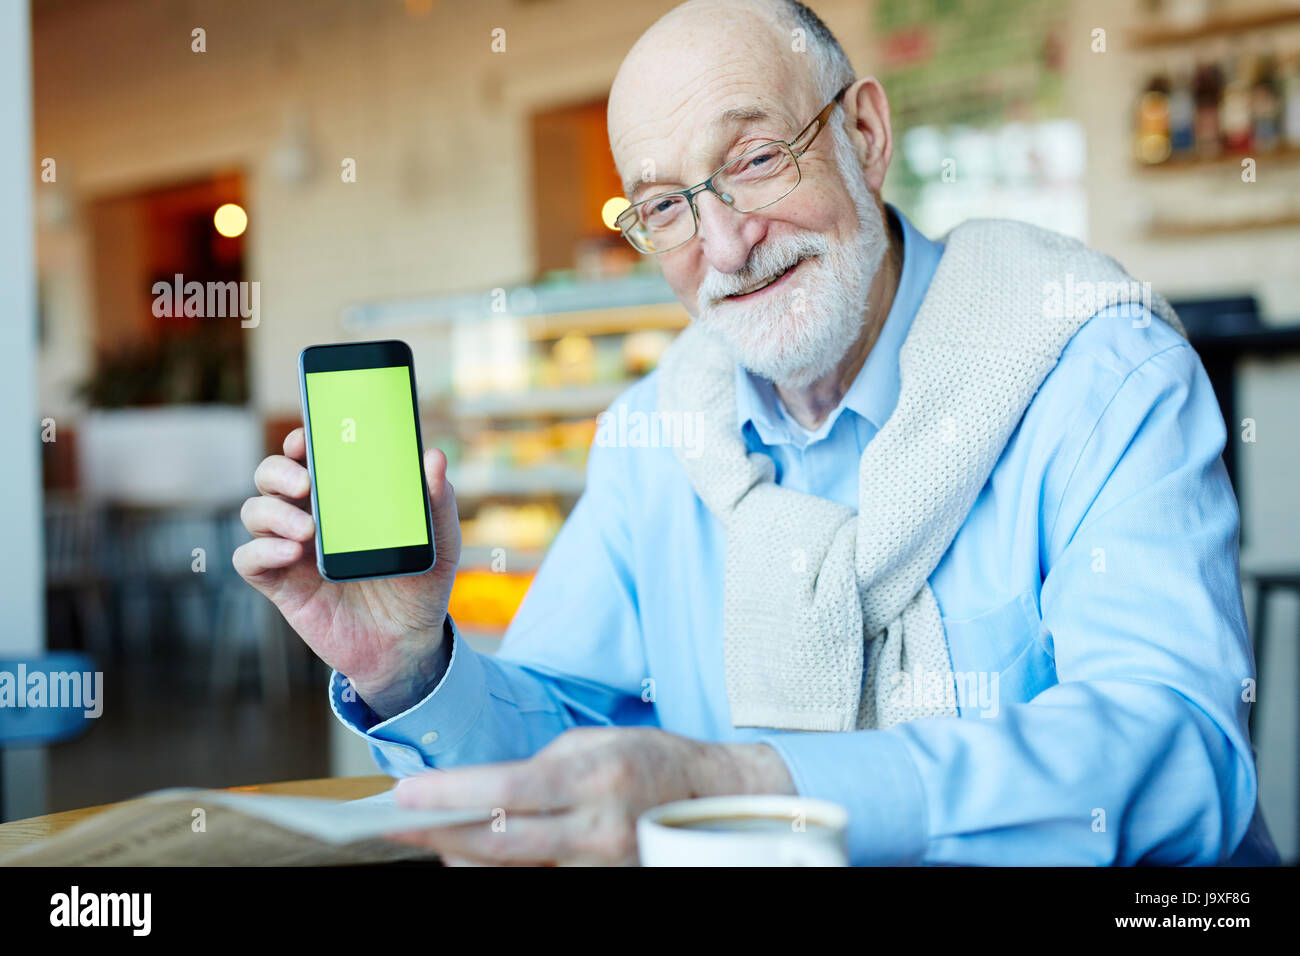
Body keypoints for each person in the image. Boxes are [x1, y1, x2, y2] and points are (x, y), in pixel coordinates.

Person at [234, 0, 1279, 865]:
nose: (726, 241)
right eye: (666, 207)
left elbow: (1180, 753)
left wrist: (747, 786)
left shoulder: (1095, 370)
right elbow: (558, 750)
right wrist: (410, 664)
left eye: (757, 156)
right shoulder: (655, 438)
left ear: (863, 136)